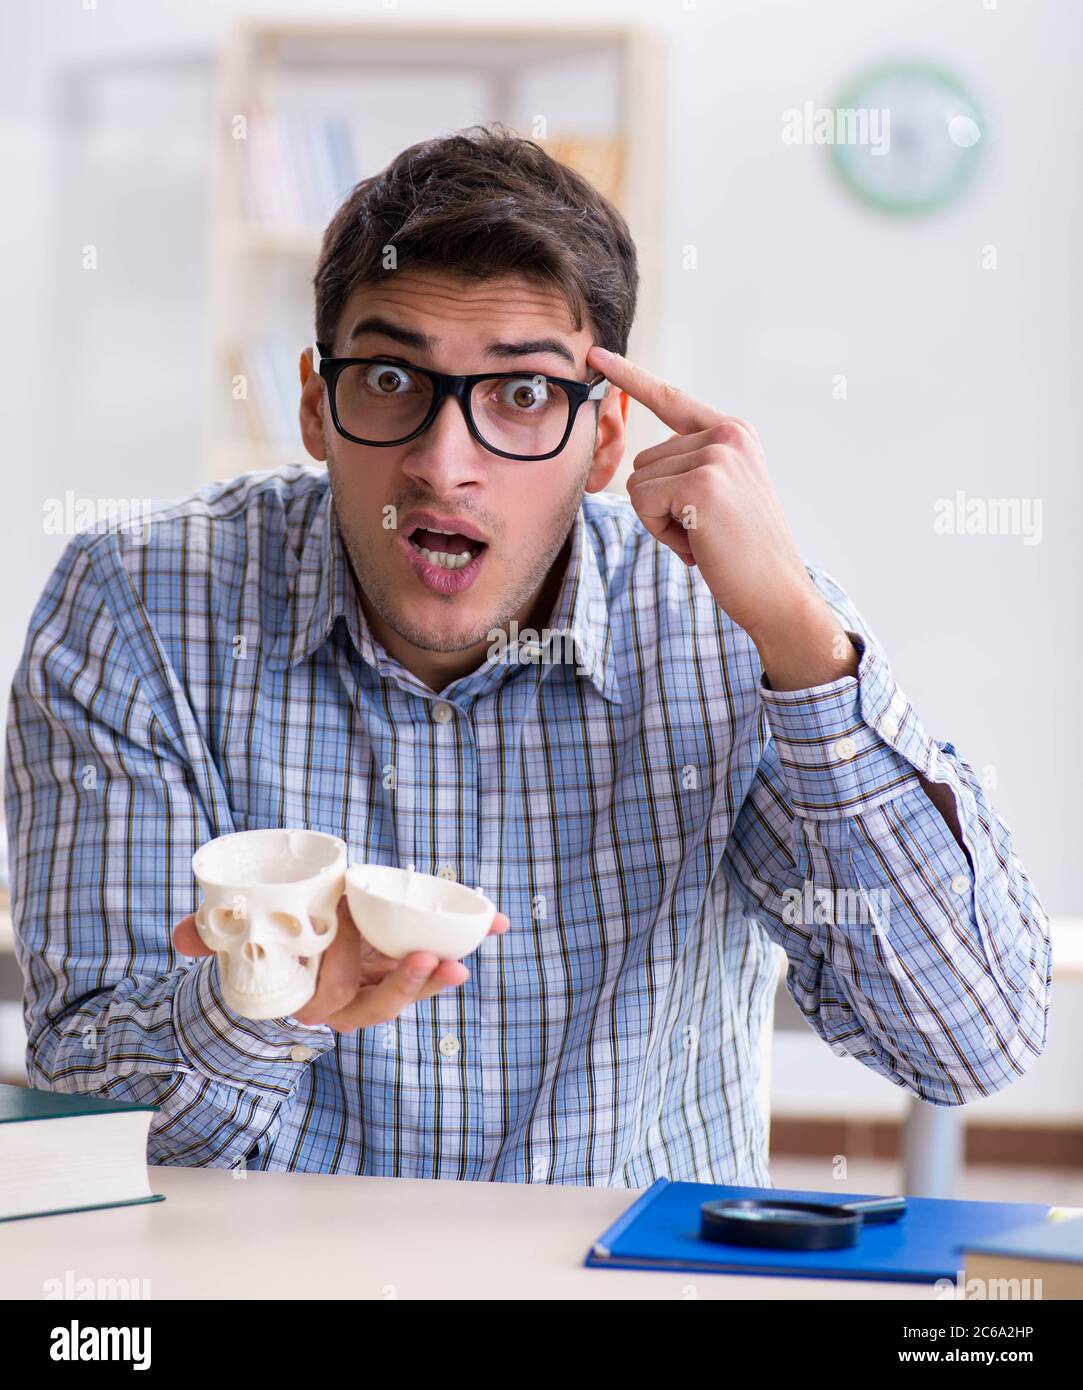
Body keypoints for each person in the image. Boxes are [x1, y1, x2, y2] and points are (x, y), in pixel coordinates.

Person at [4, 125, 1049, 1185]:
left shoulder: (728, 628)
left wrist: (805, 641)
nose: (441, 464)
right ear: (316, 406)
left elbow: (966, 1043)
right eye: (389, 380)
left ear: (605, 442)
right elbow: (92, 1141)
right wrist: (255, 1009)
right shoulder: (138, 607)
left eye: (521, 394)